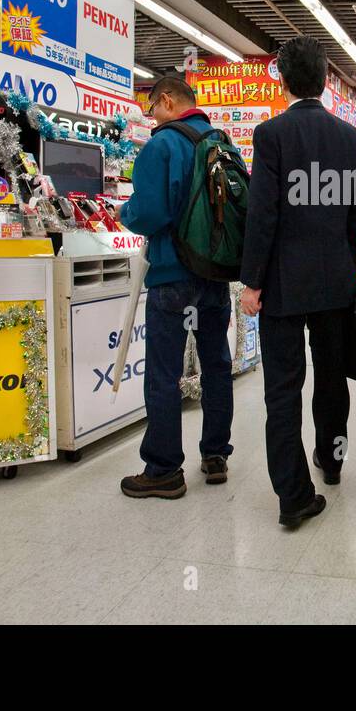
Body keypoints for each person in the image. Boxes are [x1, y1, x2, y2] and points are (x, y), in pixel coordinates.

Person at [239, 36, 356, 529]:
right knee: (332, 378)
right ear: (326, 79)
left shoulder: (271, 135)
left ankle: (293, 495)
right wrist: (344, 263)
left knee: (282, 391)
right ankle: (331, 461)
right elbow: (354, 214)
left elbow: (262, 215)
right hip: (334, 281)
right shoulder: (348, 138)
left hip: (283, 286)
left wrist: (251, 282)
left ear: (284, 79)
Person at [117, 75, 238, 499]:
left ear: (166, 101)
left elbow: (150, 212)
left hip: (172, 274)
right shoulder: (223, 142)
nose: (151, 117)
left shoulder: (161, 145)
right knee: (217, 364)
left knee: (164, 373)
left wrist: (124, 213)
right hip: (214, 274)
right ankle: (216, 453)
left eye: (151, 108)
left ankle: (165, 468)